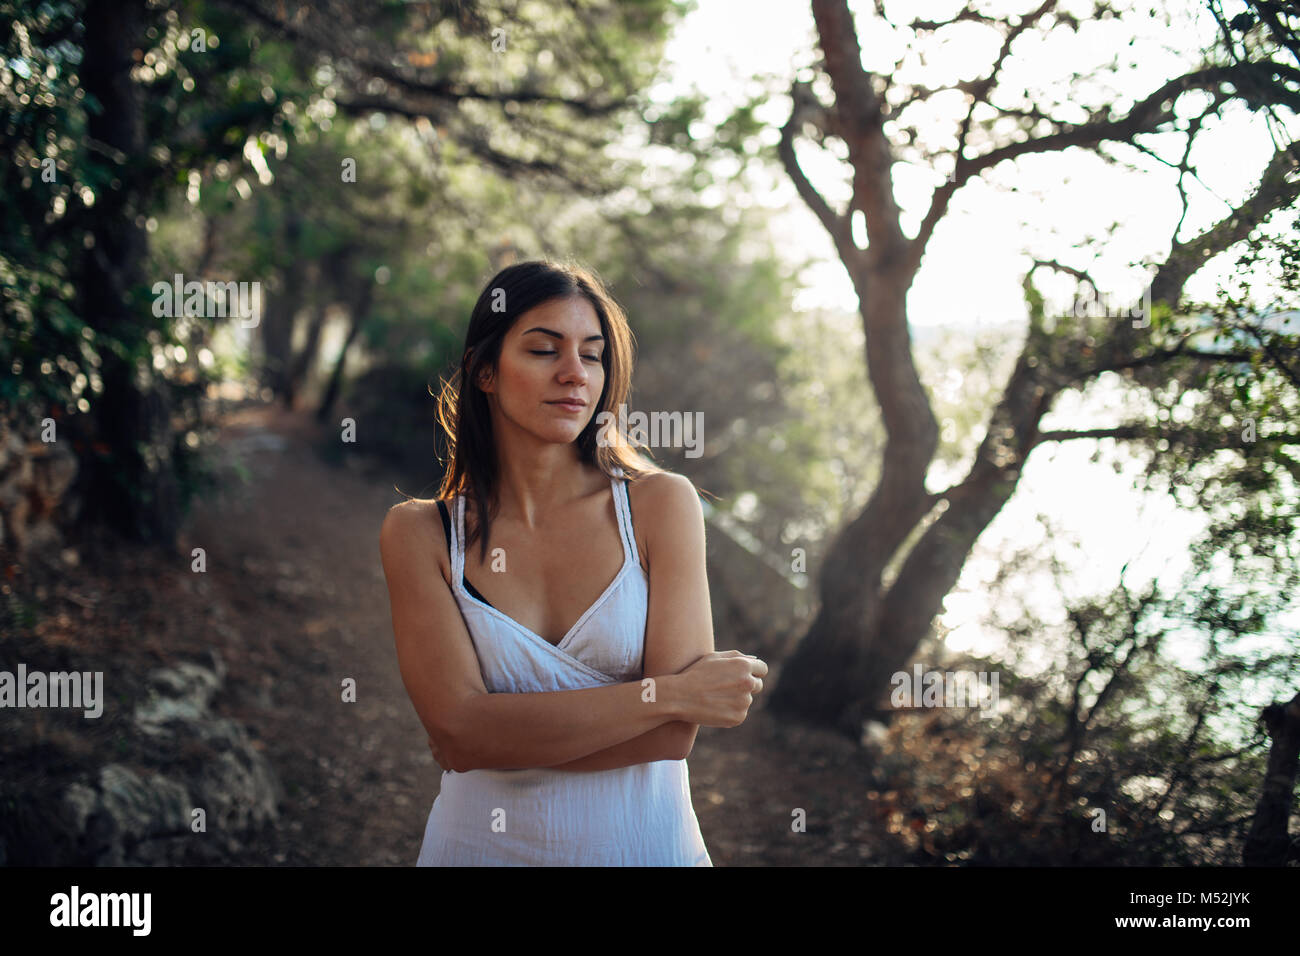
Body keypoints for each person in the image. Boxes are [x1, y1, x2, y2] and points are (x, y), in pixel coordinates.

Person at [379, 258, 768, 866]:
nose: (574, 374)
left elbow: (672, 739)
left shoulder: (661, 505)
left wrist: (495, 737)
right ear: (486, 370)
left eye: (591, 354)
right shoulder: (421, 533)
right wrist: (668, 694)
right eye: (543, 350)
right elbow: (459, 735)